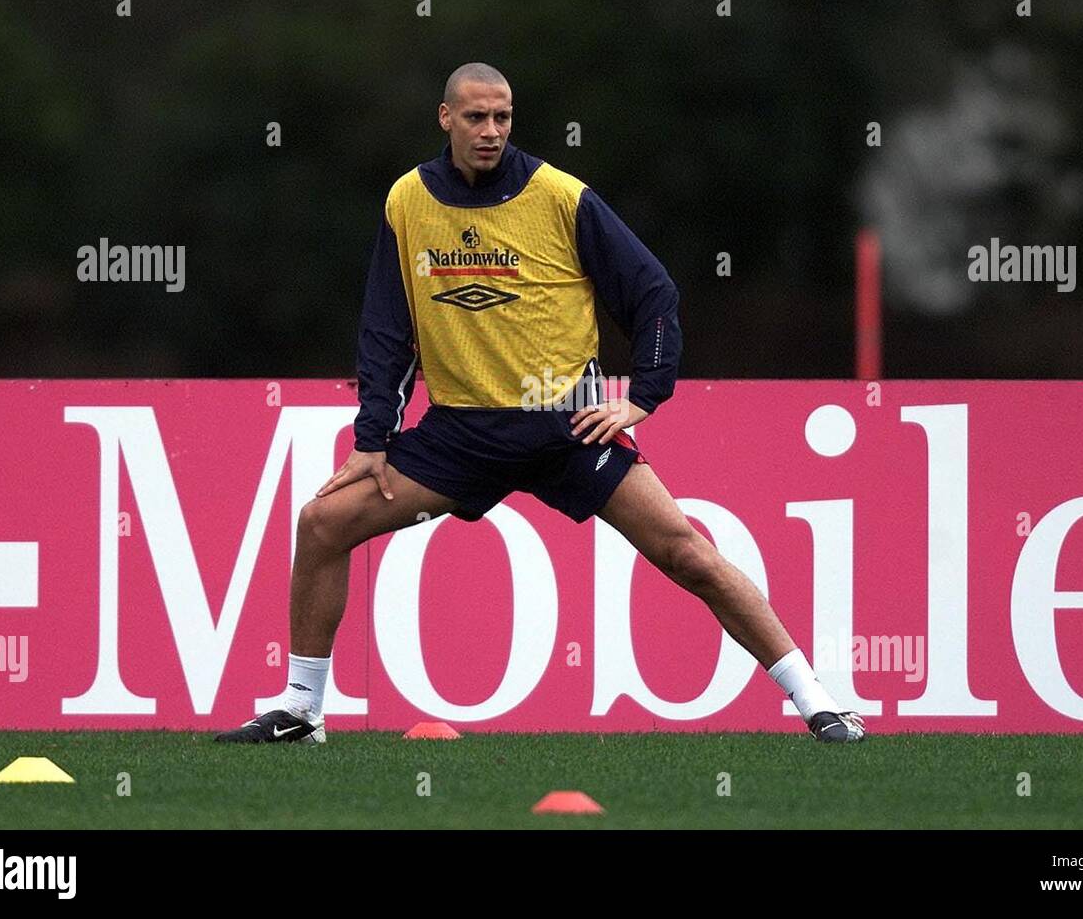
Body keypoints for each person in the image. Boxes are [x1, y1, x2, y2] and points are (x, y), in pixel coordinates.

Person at [217, 62, 864, 744]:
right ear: (445, 119)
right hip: (460, 438)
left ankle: (818, 701)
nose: (491, 131)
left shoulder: (561, 196)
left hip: (566, 430)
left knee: (686, 554)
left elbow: (654, 295)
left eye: (502, 117)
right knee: (322, 523)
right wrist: (374, 436)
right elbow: (386, 328)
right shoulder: (408, 201)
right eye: (475, 117)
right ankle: (301, 710)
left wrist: (642, 394)